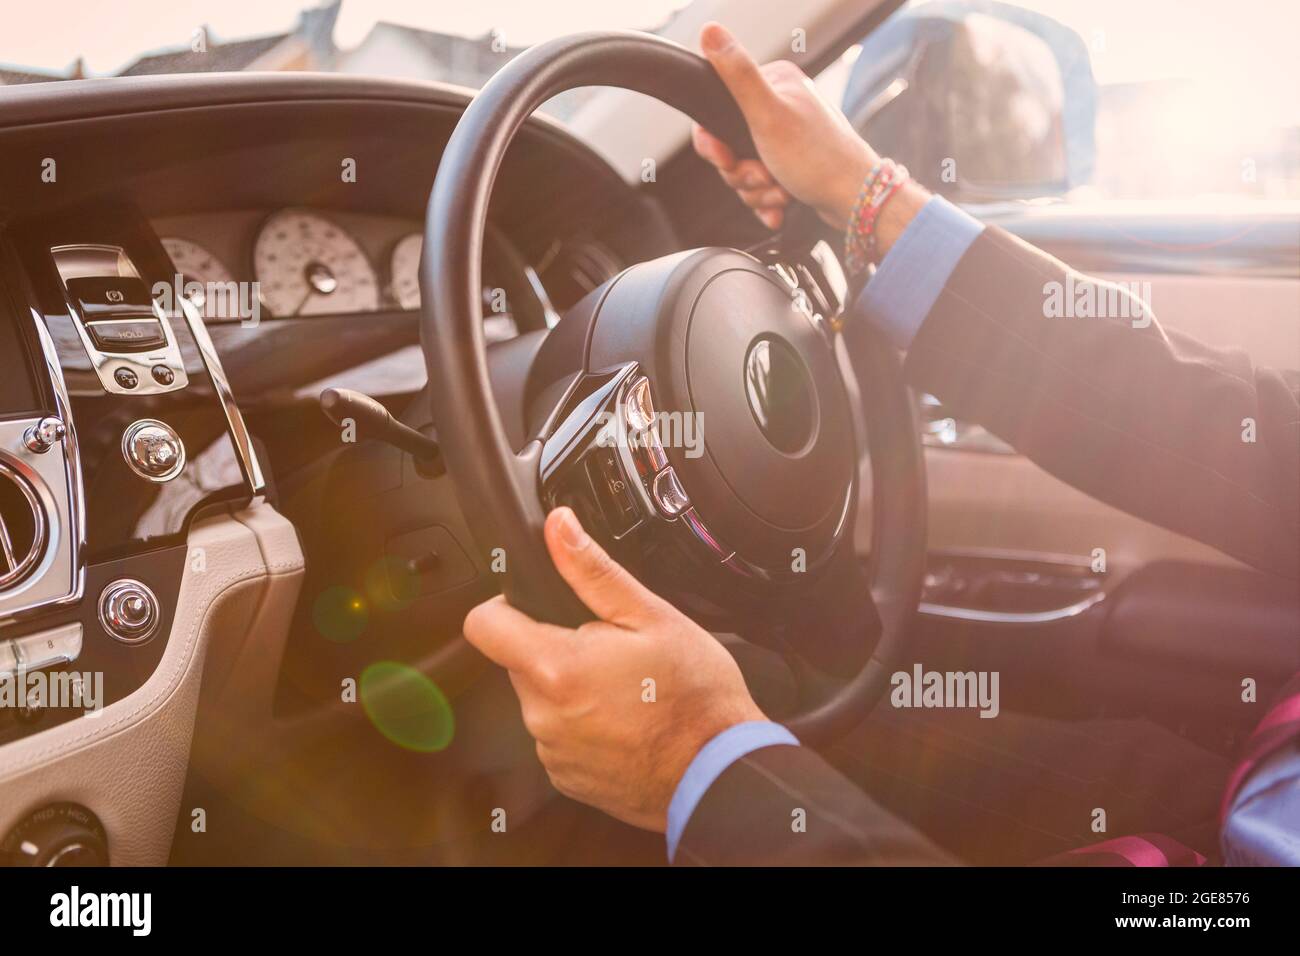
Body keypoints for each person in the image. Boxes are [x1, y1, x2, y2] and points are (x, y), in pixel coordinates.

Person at [463, 23, 1300, 865]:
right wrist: (870, 202)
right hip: (1240, 803)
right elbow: (1262, 450)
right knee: (860, 722)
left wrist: (701, 771)